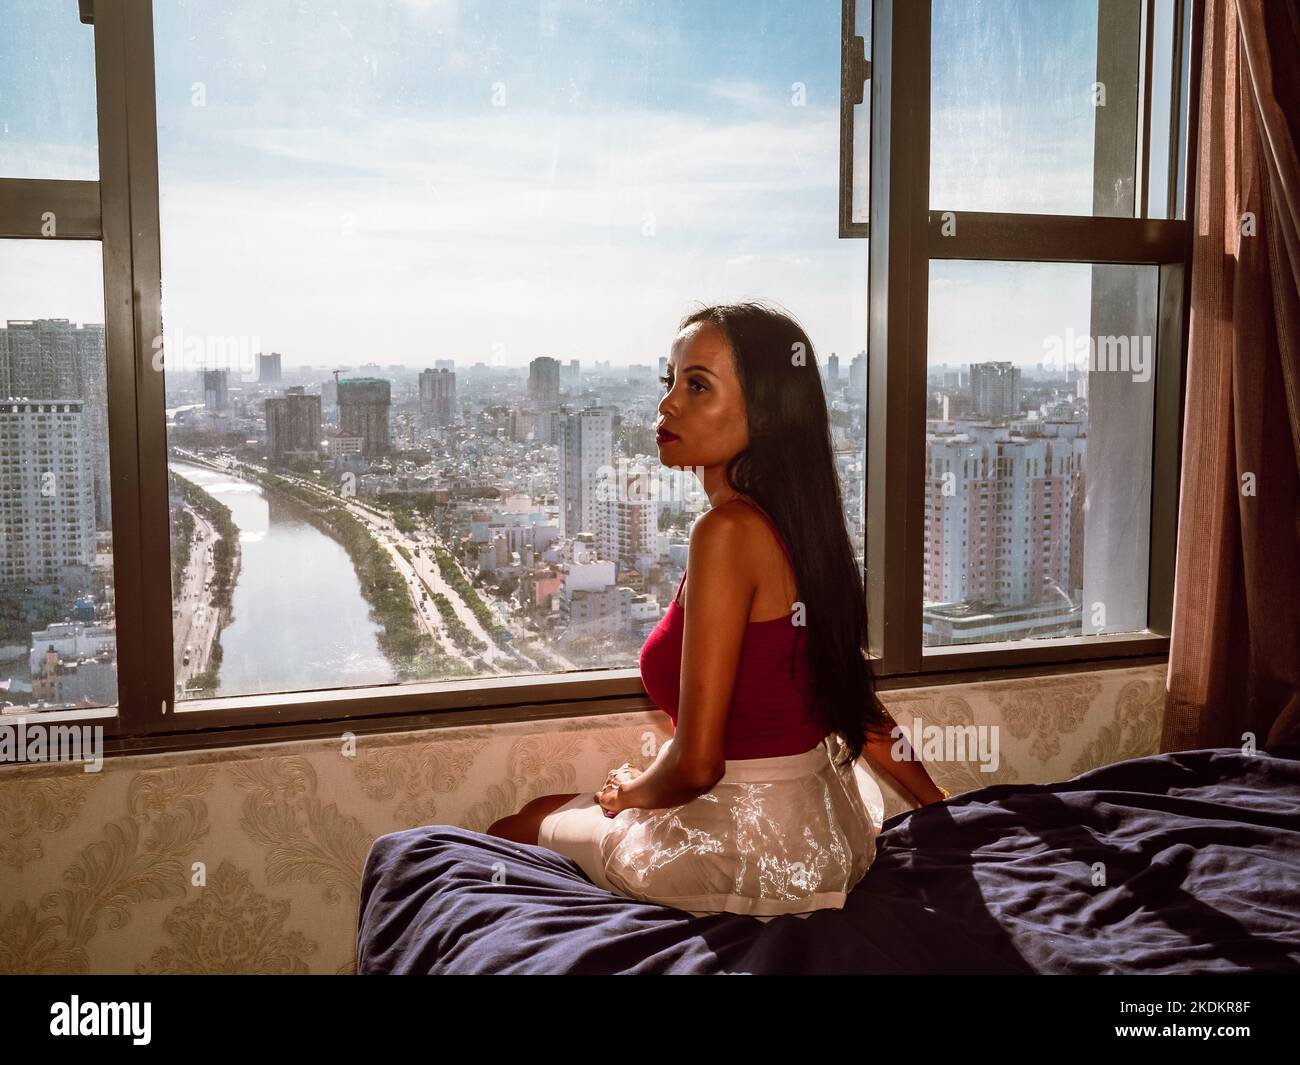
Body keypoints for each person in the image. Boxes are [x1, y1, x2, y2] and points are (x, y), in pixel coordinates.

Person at [488, 301, 948, 919]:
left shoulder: (726, 533)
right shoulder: (800, 523)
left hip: (743, 847)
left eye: (697, 385)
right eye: (669, 381)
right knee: (546, 812)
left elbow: (699, 765)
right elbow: (849, 700)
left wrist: (629, 794)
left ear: (764, 410)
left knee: (512, 829)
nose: (667, 404)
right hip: (824, 835)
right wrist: (943, 808)